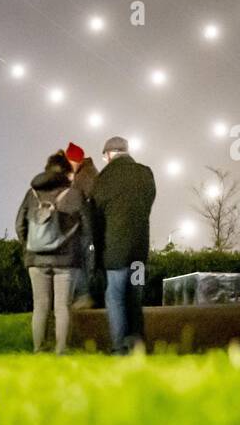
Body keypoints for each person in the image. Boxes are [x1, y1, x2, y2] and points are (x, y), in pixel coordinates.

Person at [15, 151, 93, 354]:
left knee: (40, 306)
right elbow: (88, 228)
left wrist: (31, 245)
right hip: (67, 261)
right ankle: (61, 350)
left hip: (36, 259)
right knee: (62, 307)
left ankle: (38, 348)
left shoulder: (32, 194)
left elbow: (19, 224)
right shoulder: (74, 194)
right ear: (67, 172)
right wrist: (78, 248)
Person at [91, 135, 156, 354]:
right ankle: (138, 346)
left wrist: (97, 256)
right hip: (139, 254)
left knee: (115, 298)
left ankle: (119, 348)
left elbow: (96, 218)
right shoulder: (145, 173)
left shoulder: (103, 178)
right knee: (135, 299)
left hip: (115, 254)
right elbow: (148, 203)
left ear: (108, 154)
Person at [65, 141, 98, 307]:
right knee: (84, 262)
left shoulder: (85, 176)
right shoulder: (87, 173)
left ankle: (84, 296)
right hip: (86, 227)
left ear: (75, 161)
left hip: (85, 228)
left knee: (81, 262)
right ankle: (84, 296)